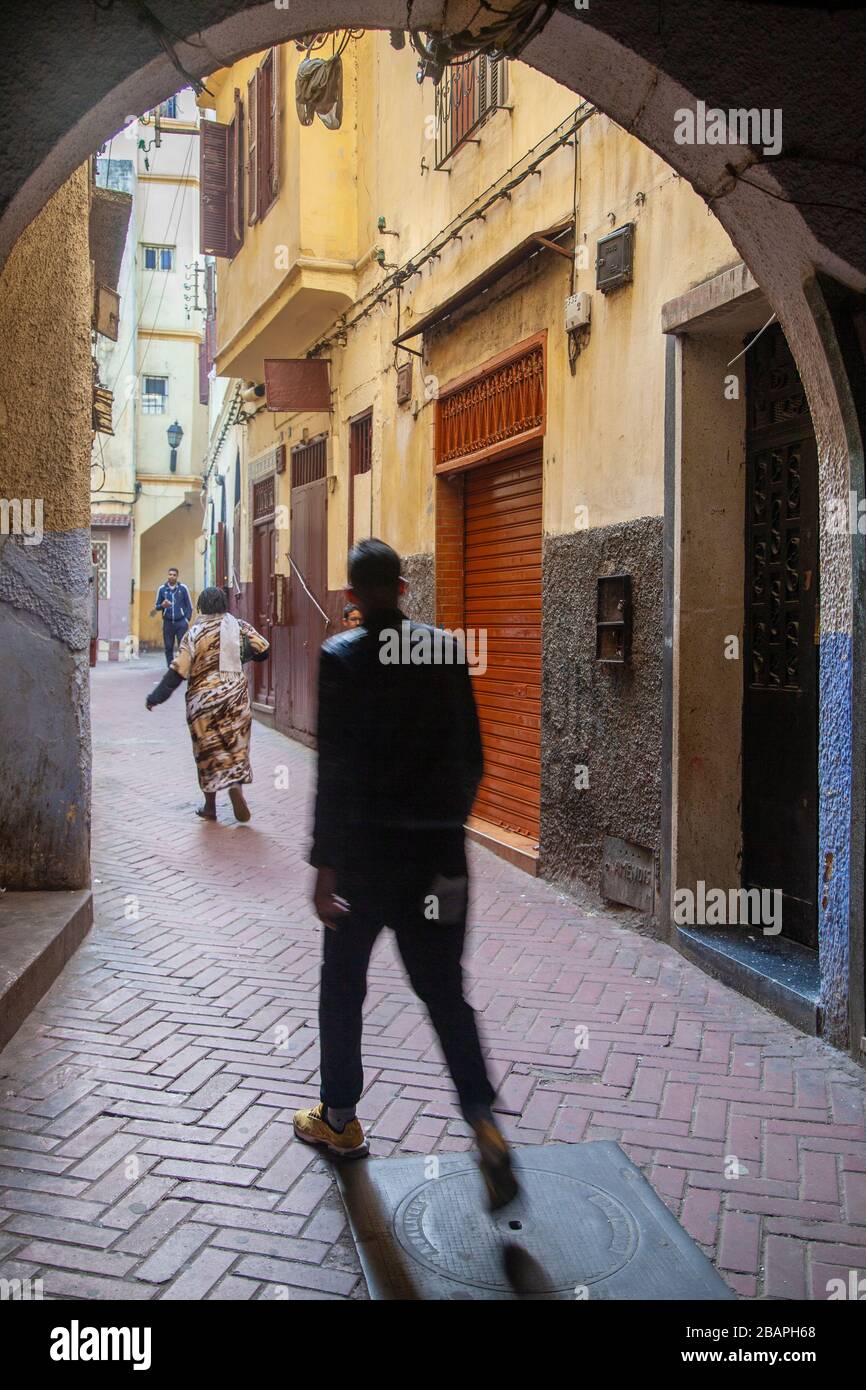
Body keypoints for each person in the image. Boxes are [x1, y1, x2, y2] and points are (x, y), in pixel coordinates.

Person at [293, 538, 518, 1210]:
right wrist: (444, 830)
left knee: (343, 985)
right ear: (405, 586)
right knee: (446, 993)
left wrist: (323, 865)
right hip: (439, 863)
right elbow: (472, 759)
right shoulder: (445, 651)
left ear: (354, 598)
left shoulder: (340, 658)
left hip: (364, 864)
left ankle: (339, 1120)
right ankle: (482, 1120)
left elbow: (332, 773)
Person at [145, 586, 269, 823]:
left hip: (202, 703)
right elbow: (263, 650)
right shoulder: (239, 626)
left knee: (206, 751)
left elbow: (177, 672)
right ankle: (236, 787)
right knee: (236, 745)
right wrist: (242, 654)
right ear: (225, 606)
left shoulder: (194, 634)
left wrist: (156, 697)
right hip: (235, 698)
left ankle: (210, 806)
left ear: (200, 607)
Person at [153, 566, 193, 667]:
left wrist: (186, 620)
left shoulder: (183, 589)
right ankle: (170, 667)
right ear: (167, 575)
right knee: (168, 647)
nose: (172, 577)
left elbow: (190, 606)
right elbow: (156, 607)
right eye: (170, 574)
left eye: (174, 575)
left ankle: (182, 666)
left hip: (181, 623)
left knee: (182, 647)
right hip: (168, 622)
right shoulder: (162, 589)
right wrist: (162, 605)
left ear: (177, 577)